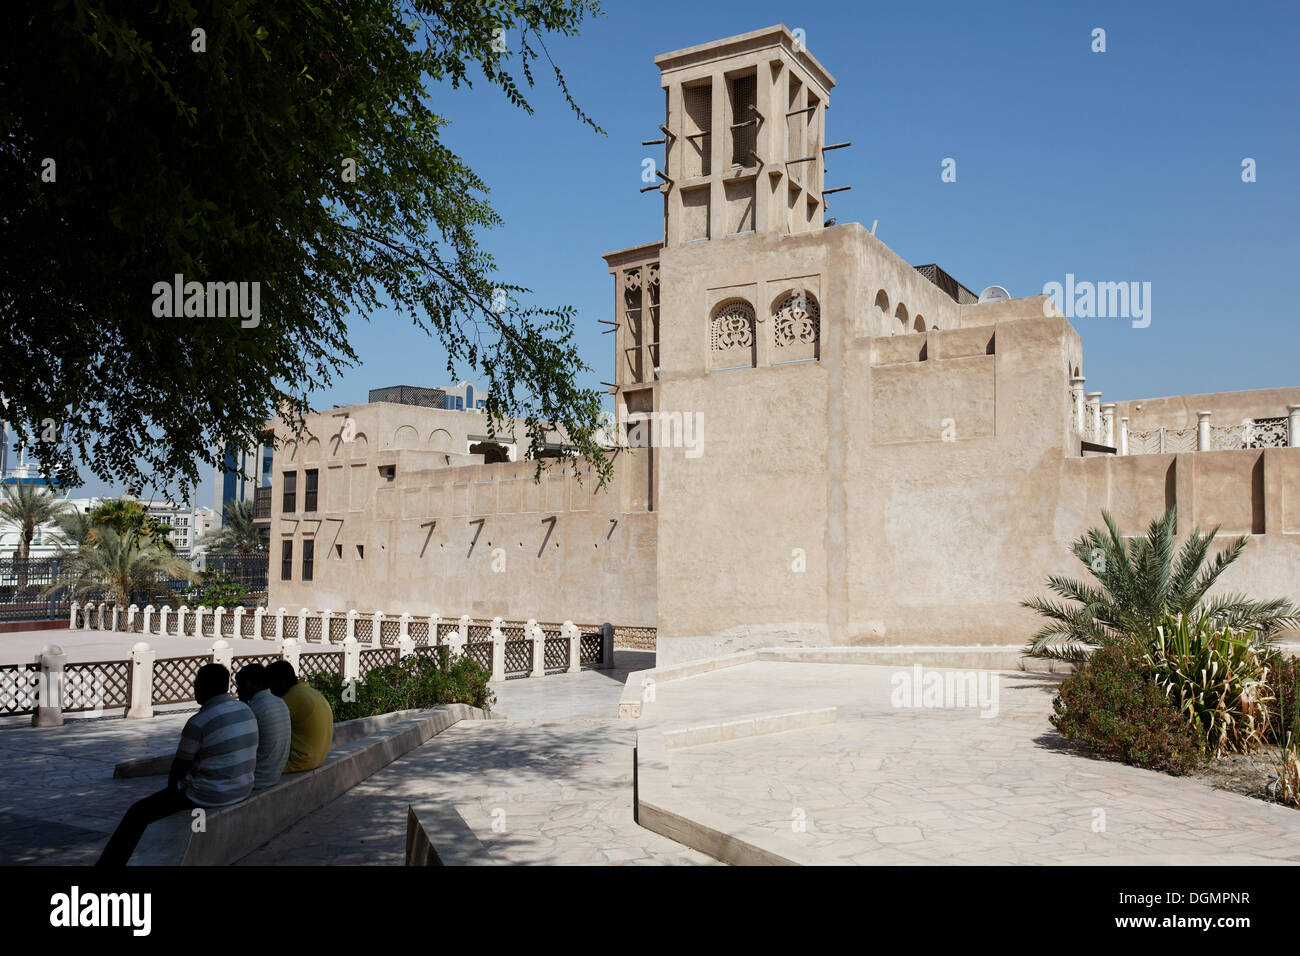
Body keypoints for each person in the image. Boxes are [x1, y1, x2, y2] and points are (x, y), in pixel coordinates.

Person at [97, 663, 258, 866]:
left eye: (197, 684)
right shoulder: (245, 709)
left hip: (211, 794)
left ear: (207, 687)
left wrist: (173, 792)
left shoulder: (199, 721)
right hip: (243, 786)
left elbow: (179, 768)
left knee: (137, 813)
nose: (194, 688)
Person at [265, 659, 333, 772]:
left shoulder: (290, 699)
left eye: (270, 684)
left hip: (298, 761)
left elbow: (267, 731)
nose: (269, 689)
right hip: (318, 759)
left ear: (280, 681)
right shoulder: (311, 692)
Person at [234, 663, 292, 790]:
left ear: (257, 684)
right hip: (273, 775)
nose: (238, 690)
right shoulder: (279, 702)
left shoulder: (254, 709)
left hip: (257, 779)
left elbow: (238, 747)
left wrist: (243, 704)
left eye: (242, 685)